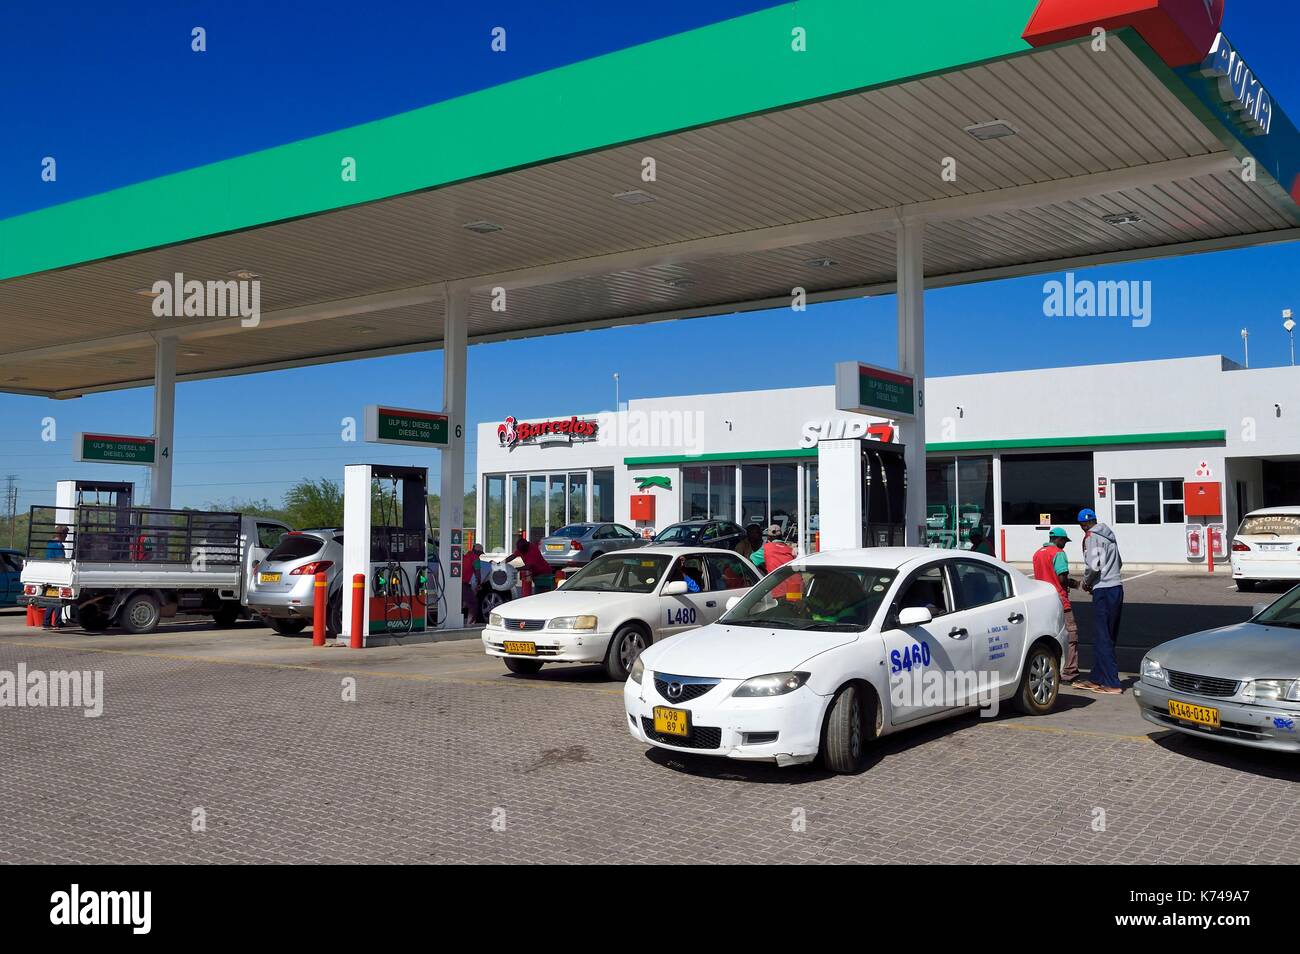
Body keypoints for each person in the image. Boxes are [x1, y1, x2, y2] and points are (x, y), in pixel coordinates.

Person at [1075, 508, 1124, 694]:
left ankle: (1112, 683)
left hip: (1103, 589)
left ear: (1083, 524)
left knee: (1102, 637)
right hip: (1116, 586)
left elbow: (1094, 565)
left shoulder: (1091, 537)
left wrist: (1087, 582)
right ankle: (1097, 678)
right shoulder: (1110, 536)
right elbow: (1119, 562)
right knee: (1107, 635)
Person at [1032, 527, 1080, 683]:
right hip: (1060, 601)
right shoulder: (1058, 553)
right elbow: (1062, 579)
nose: (1064, 544)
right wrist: (1076, 584)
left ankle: (1052, 669)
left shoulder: (1038, 553)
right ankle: (1069, 671)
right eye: (1064, 541)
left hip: (1043, 601)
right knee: (1071, 635)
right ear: (1058, 540)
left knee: (1050, 635)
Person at [43, 525, 69, 630]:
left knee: (51, 599)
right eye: (66, 534)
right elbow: (61, 558)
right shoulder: (58, 545)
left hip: (50, 573)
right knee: (59, 599)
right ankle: (57, 622)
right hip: (58, 573)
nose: (66, 537)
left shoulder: (50, 543)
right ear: (61, 534)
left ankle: (46, 621)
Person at [461, 542, 484, 623]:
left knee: (462, 602)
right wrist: (479, 584)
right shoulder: (476, 559)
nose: (480, 555)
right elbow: (478, 573)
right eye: (481, 553)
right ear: (478, 552)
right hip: (463, 584)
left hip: (456, 583)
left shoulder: (465, 556)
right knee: (473, 603)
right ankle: (470, 624)